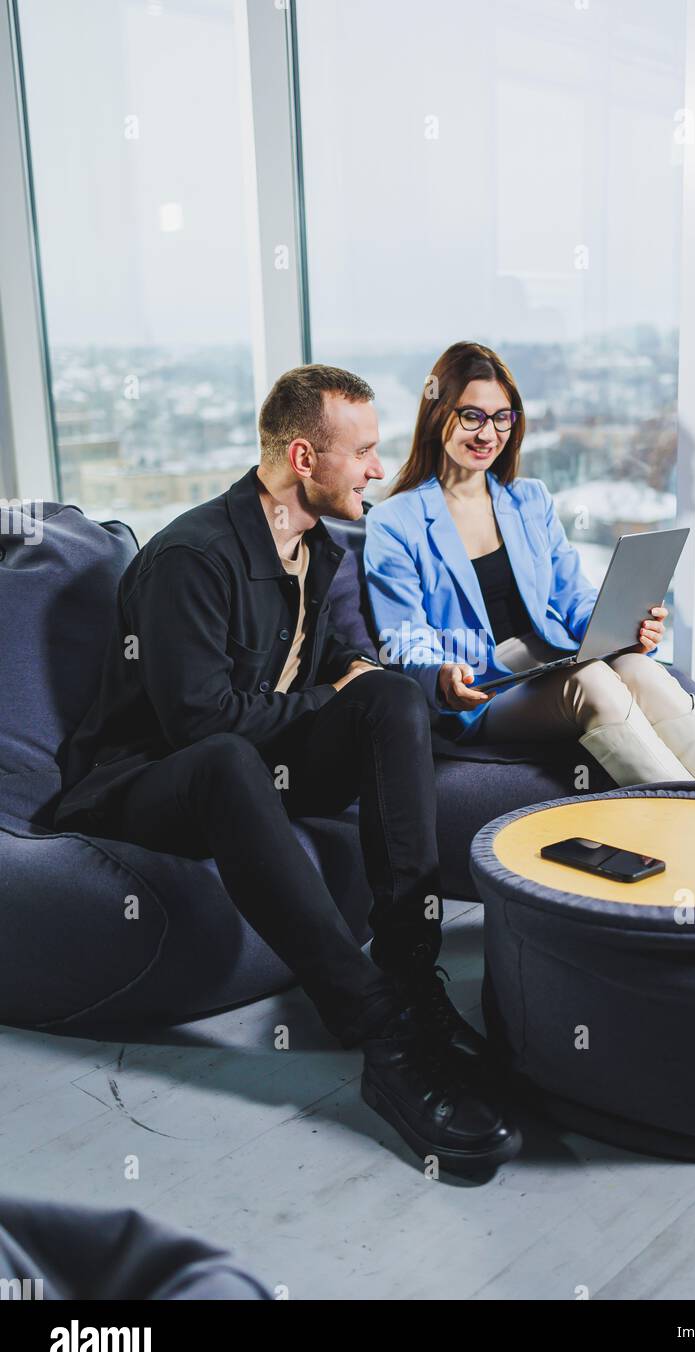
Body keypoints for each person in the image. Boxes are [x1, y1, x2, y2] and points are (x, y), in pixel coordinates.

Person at [52, 364, 521, 1176]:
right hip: (151, 778)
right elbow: (197, 723)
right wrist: (327, 701)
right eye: (364, 452)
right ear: (304, 458)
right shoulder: (192, 559)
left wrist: (363, 682)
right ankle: (384, 1036)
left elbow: (334, 660)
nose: (379, 468)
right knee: (229, 758)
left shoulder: (320, 548)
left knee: (393, 702)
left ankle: (412, 978)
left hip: (250, 758)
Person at [364, 341, 695, 787]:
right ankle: (693, 819)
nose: (488, 433)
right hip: (484, 693)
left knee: (638, 669)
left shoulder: (529, 499)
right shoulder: (394, 521)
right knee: (592, 681)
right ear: (439, 414)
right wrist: (439, 673)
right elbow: (405, 635)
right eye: (471, 416)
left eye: (501, 418)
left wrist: (622, 627)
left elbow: (573, 594)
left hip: (549, 661)